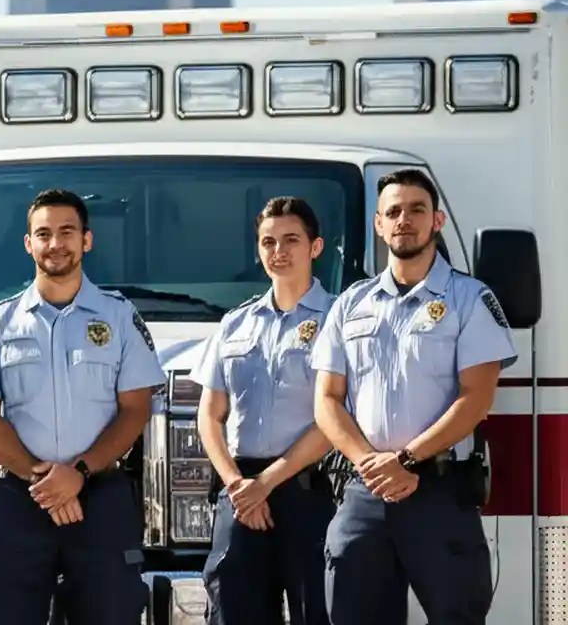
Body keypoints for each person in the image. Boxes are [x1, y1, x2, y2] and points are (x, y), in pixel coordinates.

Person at [312, 168, 515, 624]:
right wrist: (371, 463)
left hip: (438, 490)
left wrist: (404, 461)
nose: (405, 219)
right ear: (379, 225)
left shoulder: (469, 298)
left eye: (417, 210)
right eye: (394, 212)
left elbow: (476, 398)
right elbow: (327, 399)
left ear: (436, 221)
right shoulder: (350, 304)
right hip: (365, 494)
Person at [0, 189, 164, 625]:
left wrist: (79, 472)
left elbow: (135, 409)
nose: (55, 244)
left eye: (67, 232)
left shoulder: (119, 317)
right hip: (19, 500)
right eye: (43, 234)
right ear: (28, 244)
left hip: (100, 499)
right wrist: (42, 479)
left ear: (87, 240)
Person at [192, 196, 336, 625]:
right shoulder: (235, 323)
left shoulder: (339, 320)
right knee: (234, 611)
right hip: (239, 494)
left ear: (316, 247)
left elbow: (336, 417)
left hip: (305, 493)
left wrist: (267, 483)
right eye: (268, 242)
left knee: (318, 612)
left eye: (291, 239)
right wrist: (238, 485)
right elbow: (210, 414)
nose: (279, 251)